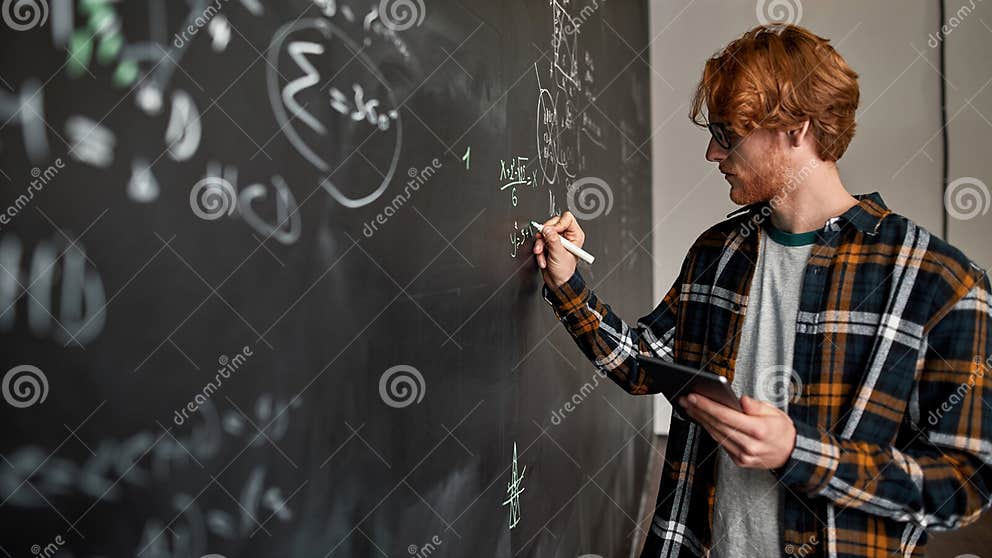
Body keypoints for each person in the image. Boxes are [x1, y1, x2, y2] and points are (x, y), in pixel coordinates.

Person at [533, 23, 992, 558]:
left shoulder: (941, 282)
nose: (711, 153)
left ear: (795, 130)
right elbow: (642, 364)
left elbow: (964, 485)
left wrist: (800, 451)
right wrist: (566, 283)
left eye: (727, 135)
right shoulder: (717, 254)